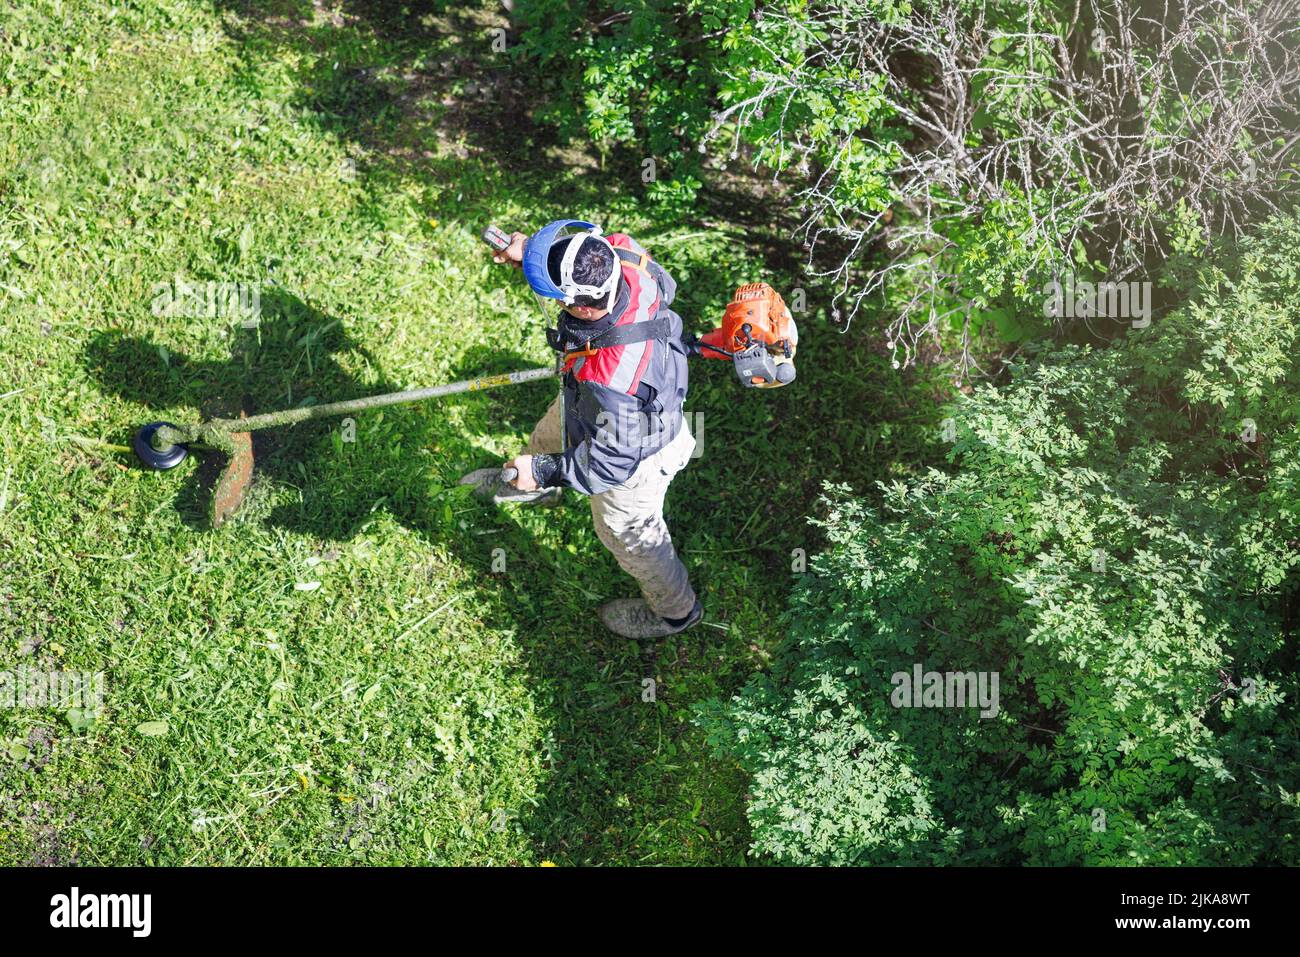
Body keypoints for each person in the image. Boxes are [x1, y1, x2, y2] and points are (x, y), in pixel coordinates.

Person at [460, 220, 703, 640]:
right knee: (547, 437)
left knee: (629, 536)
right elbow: (615, 262)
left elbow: (612, 464)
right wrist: (535, 252)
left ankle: (677, 613)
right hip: (585, 406)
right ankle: (533, 489)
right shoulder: (624, 256)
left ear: (583, 307)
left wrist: (545, 468)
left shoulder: (610, 379)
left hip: (636, 455)